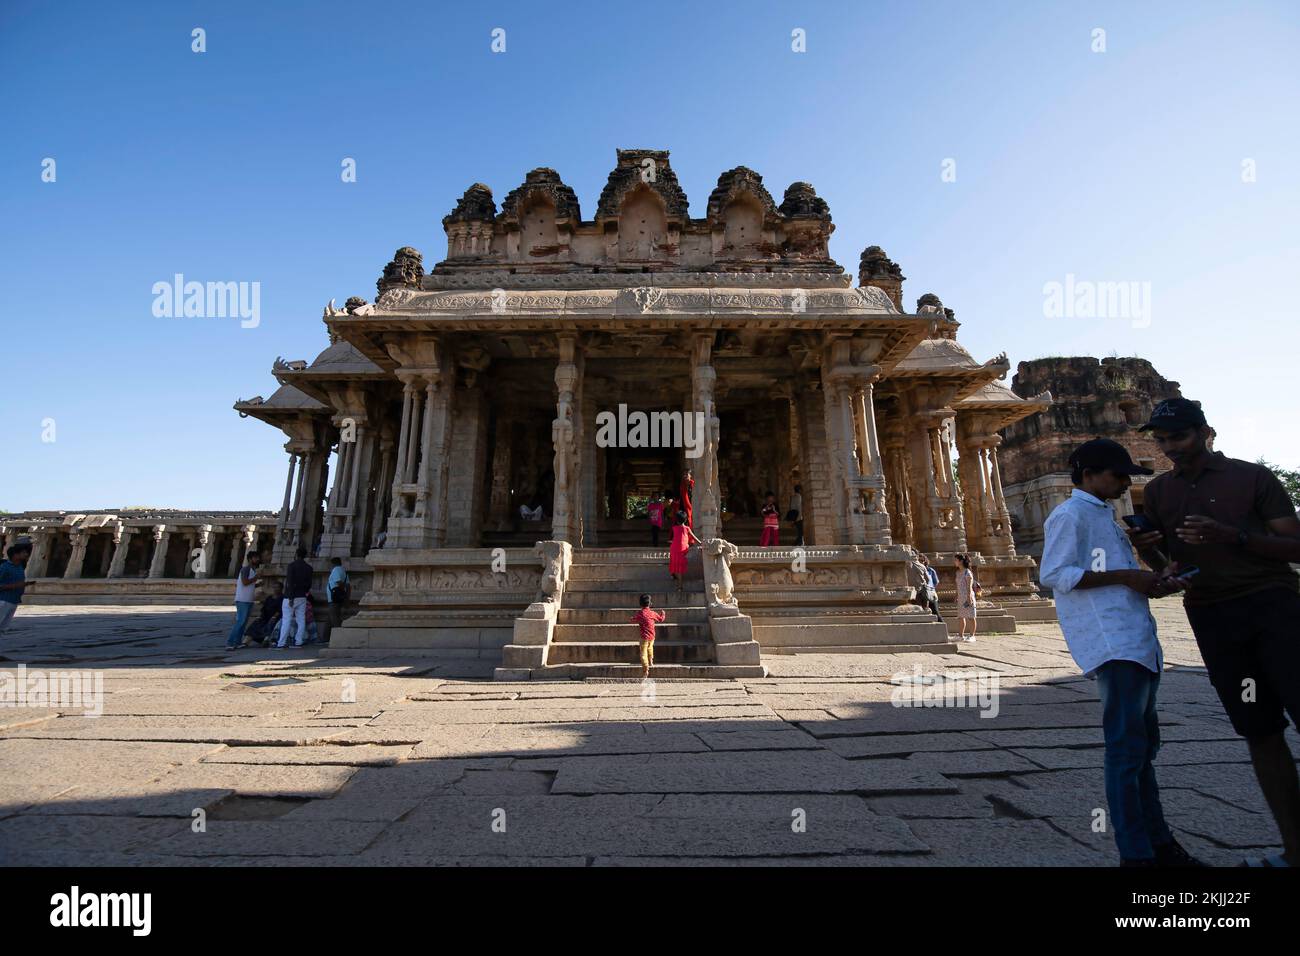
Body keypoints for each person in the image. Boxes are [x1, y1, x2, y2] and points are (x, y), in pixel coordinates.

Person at [1129, 398, 1300, 867]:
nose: (1169, 449)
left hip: (1274, 606)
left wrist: (1235, 536)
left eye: (1178, 438)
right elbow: (1171, 568)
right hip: (1213, 615)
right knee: (1259, 731)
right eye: (1161, 441)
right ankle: (1293, 849)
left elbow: (1296, 545)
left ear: (1206, 432)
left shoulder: (1252, 478)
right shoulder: (1160, 492)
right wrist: (1152, 555)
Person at [1040, 437, 1203, 867]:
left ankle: (1159, 843)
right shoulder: (1069, 514)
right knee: (1126, 751)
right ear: (1089, 474)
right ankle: (1137, 853)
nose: (1124, 483)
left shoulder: (1106, 517)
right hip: (1112, 642)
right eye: (1118, 474)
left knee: (1143, 749)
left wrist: (1156, 578)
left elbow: (1115, 577)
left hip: (1136, 637)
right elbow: (1054, 573)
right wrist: (1130, 578)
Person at [278, 546, 313, 649]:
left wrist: (291, 597)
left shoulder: (292, 566)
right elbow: (309, 584)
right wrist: (304, 592)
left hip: (290, 596)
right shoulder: (309, 568)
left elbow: (290, 582)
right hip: (302, 596)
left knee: (286, 619)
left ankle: (281, 642)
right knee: (301, 619)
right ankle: (299, 641)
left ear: (296, 555)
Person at [225, 550, 261, 650]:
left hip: (248, 600)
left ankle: (238, 642)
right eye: (255, 558)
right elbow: (245, 582)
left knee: (244, 622)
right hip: (242, 600)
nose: (257, 559)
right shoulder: (246, 569)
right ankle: (230, 643)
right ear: (250, 559)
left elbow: (249, 585)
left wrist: (258, 584)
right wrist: (255, 578)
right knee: (240, 622)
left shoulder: (252, 570)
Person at [0, 541, 33, 635]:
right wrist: (16, 586)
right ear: (15, 555)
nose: (26, 554)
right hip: (4, 600)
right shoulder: (4, 567)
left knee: (3, 628)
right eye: (23, 552)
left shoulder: (20, 567)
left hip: (14, 600)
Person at [631, 593, 666, 679]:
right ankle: (651, 661)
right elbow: (661, 619)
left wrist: (631, 618)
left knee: (643, 653)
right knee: (650, 648)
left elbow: (634, 620)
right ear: (650, 604)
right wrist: (663, 614)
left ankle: (646, 669)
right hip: (652, 636)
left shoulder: (640, 614)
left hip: (644, 637)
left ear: (640, 604)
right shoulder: (653, 613)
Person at [669, 511, 700, 593]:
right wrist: (701, 542)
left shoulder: (674, 528)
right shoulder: (687, 528)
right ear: (685, 519)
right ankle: (679, 586)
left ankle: (676, 579)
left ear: (677, 520)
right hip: (683, 549)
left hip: (674, 548)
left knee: (674, 565)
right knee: (679, 568)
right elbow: (694, 537)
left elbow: (675, 538)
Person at [953, 553, 978, 642]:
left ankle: (972, 635)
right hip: (960, 597)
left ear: (961, 561)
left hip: (968, 596)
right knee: (961, 616)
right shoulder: (957, 572)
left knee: (971, 616)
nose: (954, 562)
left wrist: (969, 597)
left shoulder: (967, 572)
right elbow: (957, 585)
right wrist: (956, 595)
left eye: (956, 560)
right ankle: (960, 635)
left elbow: (969, 586)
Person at [327, 556, 350, 629]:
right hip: (339, 598)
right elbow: (348, 586)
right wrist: (346, 598)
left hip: (334, 598)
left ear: (333, 564)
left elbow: (338, 581)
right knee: (330, 618)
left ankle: (338, 633)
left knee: (334, 617)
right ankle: (325, 637)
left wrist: (342, 590)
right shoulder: (343, 571)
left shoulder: (336, 570)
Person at [918, 553, 941, 619]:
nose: (921, 562)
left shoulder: (930, 570)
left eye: (922, 560)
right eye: (919, 560)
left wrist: (930, 589)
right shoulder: (916, 570)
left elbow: (936, 582)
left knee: (936, 612)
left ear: (925, 561)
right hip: (921, 594)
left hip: (930, 593)